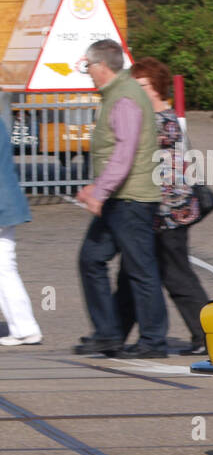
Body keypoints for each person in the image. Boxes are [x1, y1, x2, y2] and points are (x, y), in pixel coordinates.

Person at [74, 39, 166, 358]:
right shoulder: (117, 94)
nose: (87, 72)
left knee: (141, 269)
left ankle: (153, 340)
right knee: (91, 259)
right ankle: (108, 333)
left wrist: (99, 191)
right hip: (120, 198)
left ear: (101, 66)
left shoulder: (124, 98)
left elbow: (124, 153)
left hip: (131, 200)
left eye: (88, 66)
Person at [114, 57, 209, 356]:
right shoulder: (150, 117)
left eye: (142, 85)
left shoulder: (163, 120)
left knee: (176, 276)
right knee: (132, 273)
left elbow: (139, 148)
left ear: (156, 87)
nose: (137, 91)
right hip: (154, 211)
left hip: (170, 212)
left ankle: (207, 335)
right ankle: (113, 333)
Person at [0, 118, 43, 347]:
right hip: (6, 203)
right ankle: (25, 328)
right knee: (5, 269)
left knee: (4, 270)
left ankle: (25, 328)